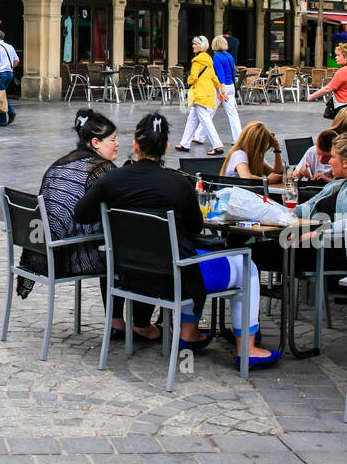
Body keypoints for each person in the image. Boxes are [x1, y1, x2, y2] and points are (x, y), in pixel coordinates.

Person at [74, 111, 280, 366]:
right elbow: (195, 228)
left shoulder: (111, 179)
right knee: (246, 266)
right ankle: (245, 348)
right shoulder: (178, 184)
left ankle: (190, 333)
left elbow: (81, 214)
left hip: (129, 275)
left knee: (183, 259)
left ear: (136, 146)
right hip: (174, 280)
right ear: (167, 147)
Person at [17, 108, 118, 300]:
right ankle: (120, 324)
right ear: (95, 142)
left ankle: (117, 325)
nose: (117, 144)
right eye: (112, 139)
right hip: (71, 255)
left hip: (42, 252)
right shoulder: (100, 168)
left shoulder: (59, 164)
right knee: (122, 254)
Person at [175, 36, 224, 155]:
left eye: (195, 44)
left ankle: (217, 145)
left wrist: (188, 81)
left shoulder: (196, 61)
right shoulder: (208, 60)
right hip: (207, 92)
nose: (193, 46)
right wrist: (218, 91)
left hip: (198, 93)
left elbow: (193, 78)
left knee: (205, 120)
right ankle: (185, 143)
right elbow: (214, 78)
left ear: (201, 46)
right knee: (192, 118)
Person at [306, 42, 347, 115]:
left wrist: (312, 96)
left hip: (345, 107)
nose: (336, 57)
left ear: (346, 57)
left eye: (338, 55)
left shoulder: (344, 71)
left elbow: (328, 88)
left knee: (342, 126)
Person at [219, 121, 284, 183]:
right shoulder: (239, 154)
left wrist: (277, 150)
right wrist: (267, 180)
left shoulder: (256, 155)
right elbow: (246, 178)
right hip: (231, 192)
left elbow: (276, 174)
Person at [211, 34, 242, 143]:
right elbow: (232, 72)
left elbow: (220, 75)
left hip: (222, 86)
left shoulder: (217, 57)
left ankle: (199, 136)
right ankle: (238, 138)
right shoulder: (229, 56)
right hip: (231, 86)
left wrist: (222, 90)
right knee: (233, 113)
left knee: (209, 112)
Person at [0, 28, 18, 127]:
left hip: (1, 74)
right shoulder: (9, 47)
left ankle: (11, 112)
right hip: (9, 74)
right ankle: (2, 120)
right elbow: (17, 60)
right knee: (1, 95)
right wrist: (10, 68)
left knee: (0, 96)